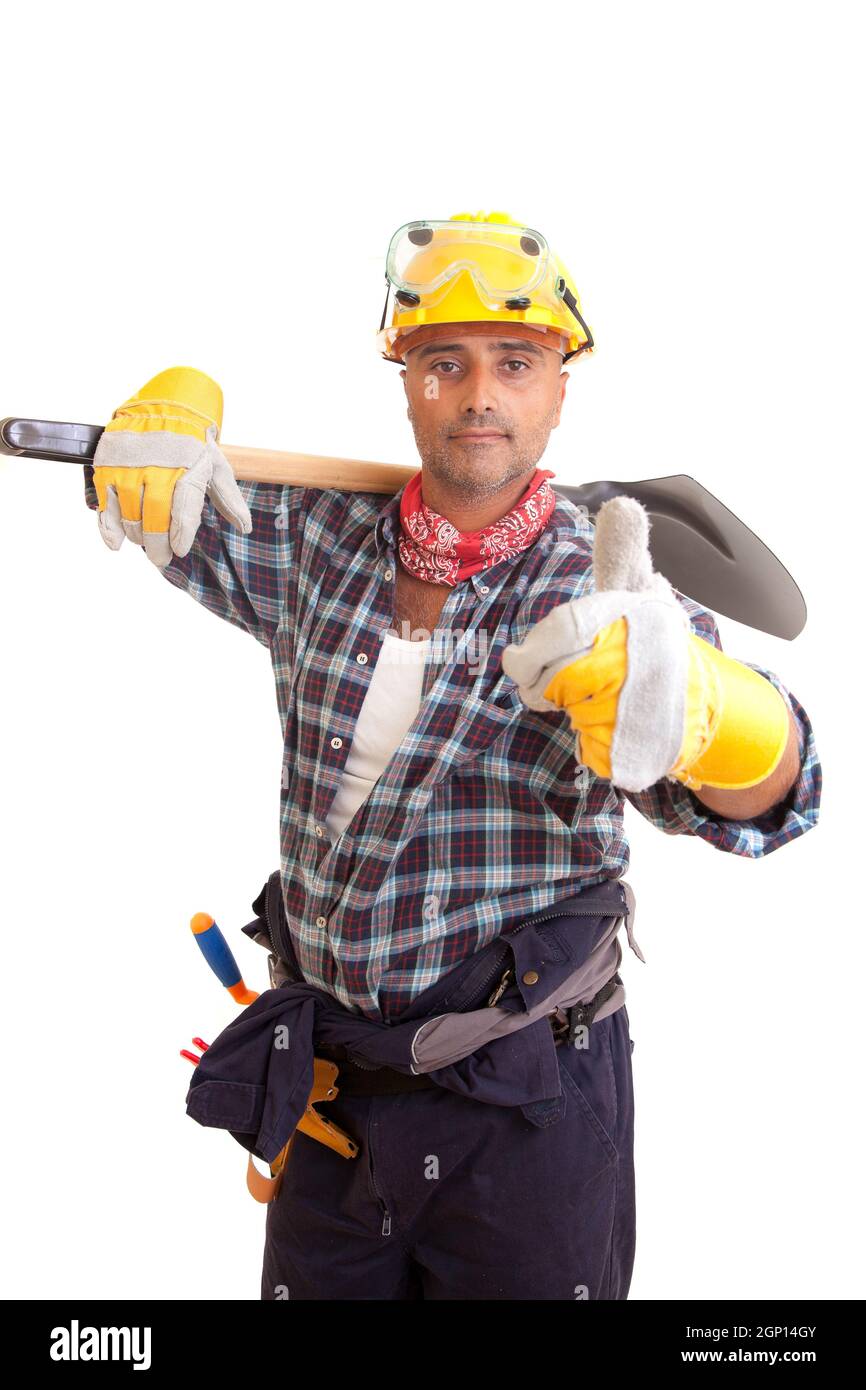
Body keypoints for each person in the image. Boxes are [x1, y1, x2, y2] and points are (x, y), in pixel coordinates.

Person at [83, 211, 821, 1301]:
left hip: (525, 1104)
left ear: (557, 385)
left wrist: (717, 714)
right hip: (330, 1099)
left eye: (513, 364)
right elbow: (151, 492)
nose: (480, 393)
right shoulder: (309, 542)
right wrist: (162, 411)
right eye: (446, 362)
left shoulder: (610, 597)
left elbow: (778, 798)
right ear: (407, 383)